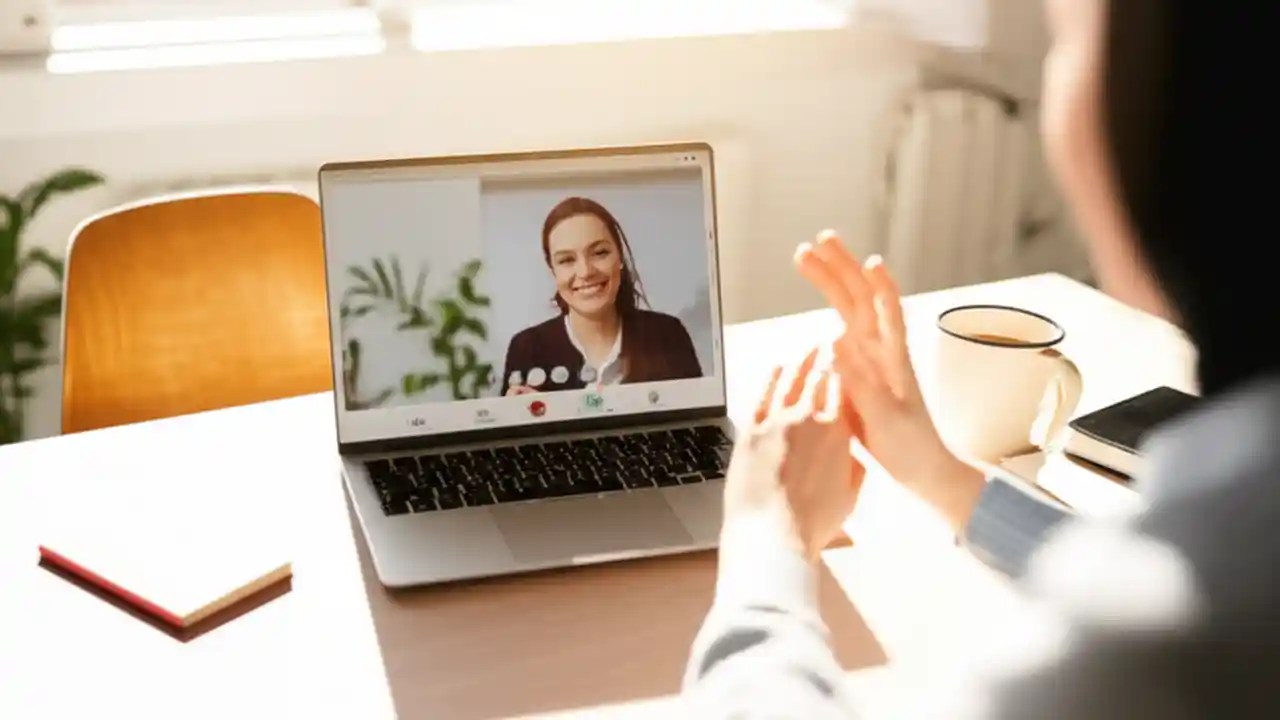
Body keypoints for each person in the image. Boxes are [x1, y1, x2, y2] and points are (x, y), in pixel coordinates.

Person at [684, 1, 1277, 717]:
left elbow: (1166, 603)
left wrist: (765, 545)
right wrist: (944, 478)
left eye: (1066, 44)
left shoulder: (1168, 647)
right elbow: (1150, 571)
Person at [499, 196, 702, 396]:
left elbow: (696, 418)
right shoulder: (527, 348)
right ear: (553, 270)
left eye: (599, 253)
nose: (585, 271)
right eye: (567, 260)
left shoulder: (668, 335)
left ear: (620, 257)